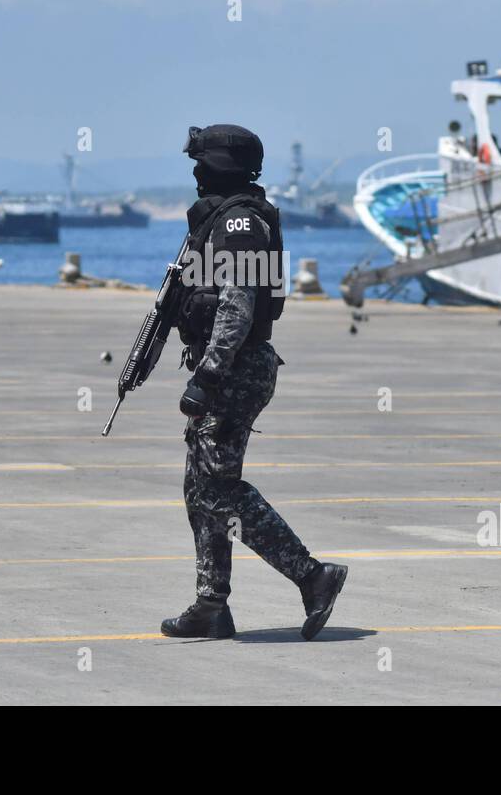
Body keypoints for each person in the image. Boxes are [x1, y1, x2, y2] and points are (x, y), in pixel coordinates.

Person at [161, 123, 347, 641]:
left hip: (235, 367)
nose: (196, 173)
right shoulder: (221, 218)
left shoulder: (241, 223)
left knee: (218, 488)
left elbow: (237, 308)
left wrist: (209, 372)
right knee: (200, 488)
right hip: (228, 365)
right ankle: (211, 605)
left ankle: (312, 576)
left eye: (202, 163)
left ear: (223, 166)